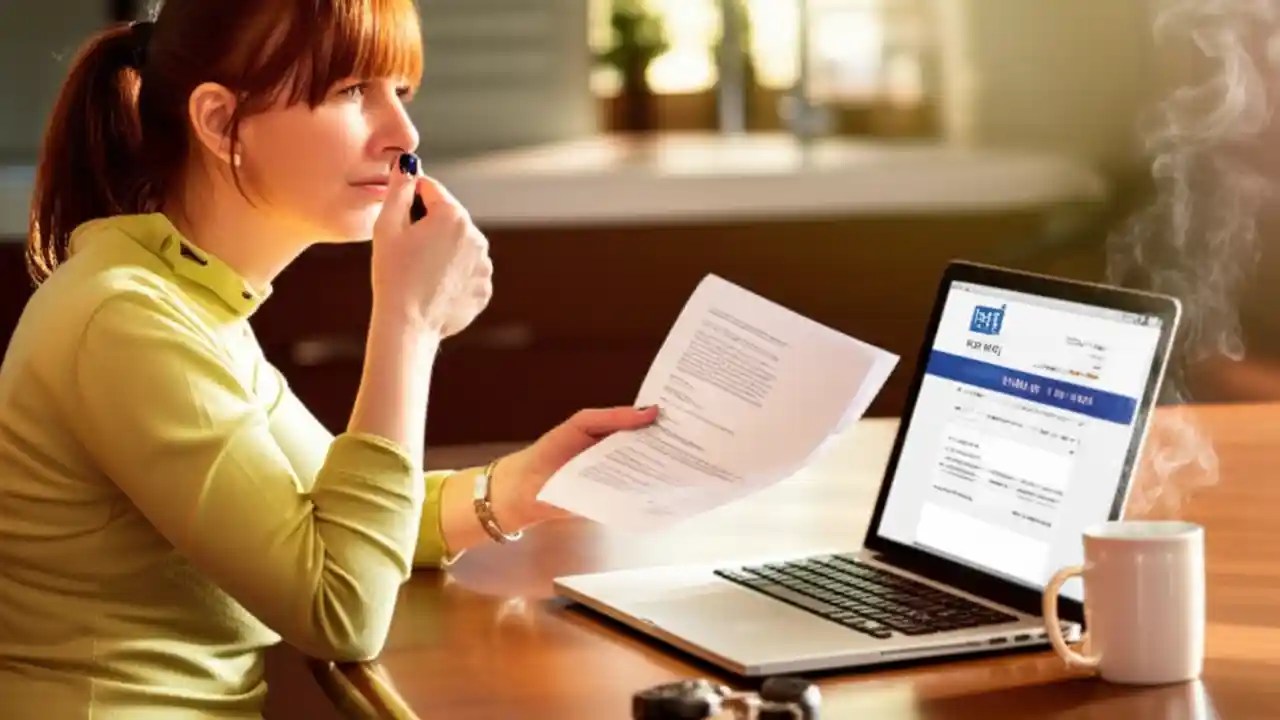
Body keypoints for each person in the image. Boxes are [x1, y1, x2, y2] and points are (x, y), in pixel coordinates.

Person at [0, 1, 659, 717]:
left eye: (398, 93)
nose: (402, 133)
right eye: (351, 92)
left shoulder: (191, 300)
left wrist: (519, 487)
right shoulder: (126, 321)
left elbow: (341, 518)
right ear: (220, 122)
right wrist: (407, 323)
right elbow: (339, 604)